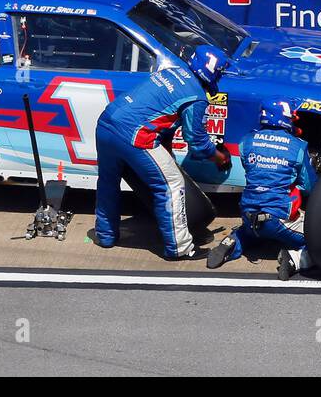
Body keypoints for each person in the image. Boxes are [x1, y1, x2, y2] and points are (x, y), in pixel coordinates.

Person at [93, 46, 233, 261]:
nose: (221, 76)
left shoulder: (170, 72)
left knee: (108, 182)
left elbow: (162, 119)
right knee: (172, 185)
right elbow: (196, 141)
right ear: (211, 70)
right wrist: (218, 156)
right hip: (134, 136)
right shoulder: (197, 97)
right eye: (220, 71)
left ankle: (105, 236)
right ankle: (180, 247)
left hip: (106, 123)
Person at [206, 98, 316, 280]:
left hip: (248, 215)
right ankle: (295, 260)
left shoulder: (247, 141)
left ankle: (233, 241)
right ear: (284, 118)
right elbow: (309, 186)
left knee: (255, 230)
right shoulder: (298, 146)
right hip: (279, 219)